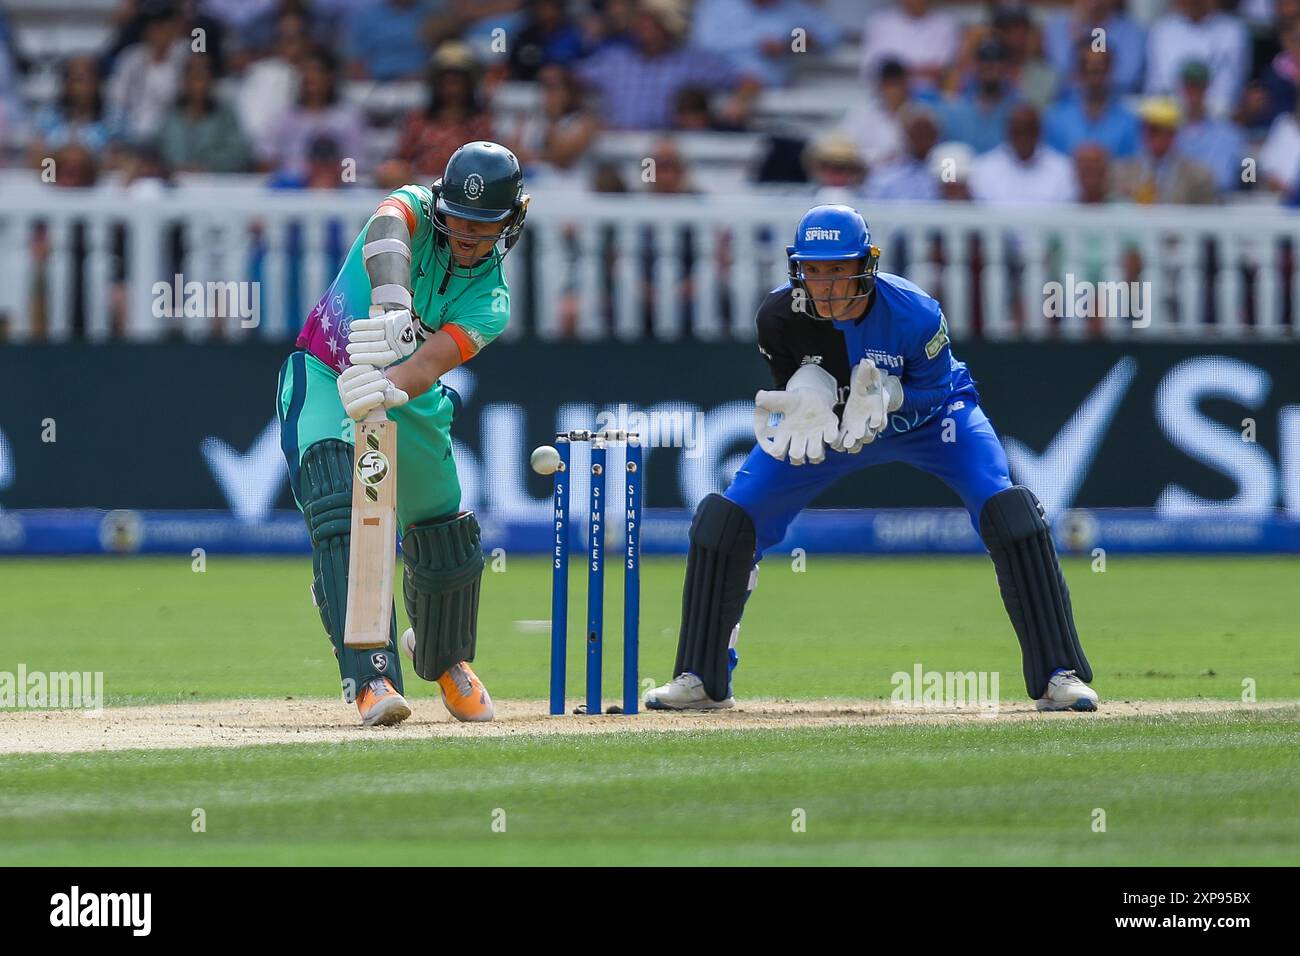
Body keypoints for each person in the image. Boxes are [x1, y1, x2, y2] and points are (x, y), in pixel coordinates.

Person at [644, 204, 1099, 714]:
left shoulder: (915, 312)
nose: (826, 287)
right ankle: (702, 678)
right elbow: (794, 383)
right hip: (837, 426)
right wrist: (807, 390)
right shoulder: (778, 316)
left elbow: (938, 389)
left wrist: (893, 397)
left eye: (838, 269)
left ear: (866, 265)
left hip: (931, 420)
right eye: (814, 271)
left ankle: (1060, 675)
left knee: (1011, 512)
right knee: (727, 520)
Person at [275, 141, 529, 726]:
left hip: (405, 396)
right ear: (441, 206)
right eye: (460, 219)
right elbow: (388, 226)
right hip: (323, 372)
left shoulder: (491, 301)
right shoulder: (412, 206)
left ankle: (446, 660)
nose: (468, 233)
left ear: (509, 223)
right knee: (341, 510)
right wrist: (393, 301)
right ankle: (371, 676)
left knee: (443, 534)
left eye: (484, 224)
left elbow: (427, 365)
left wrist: (388, 388)